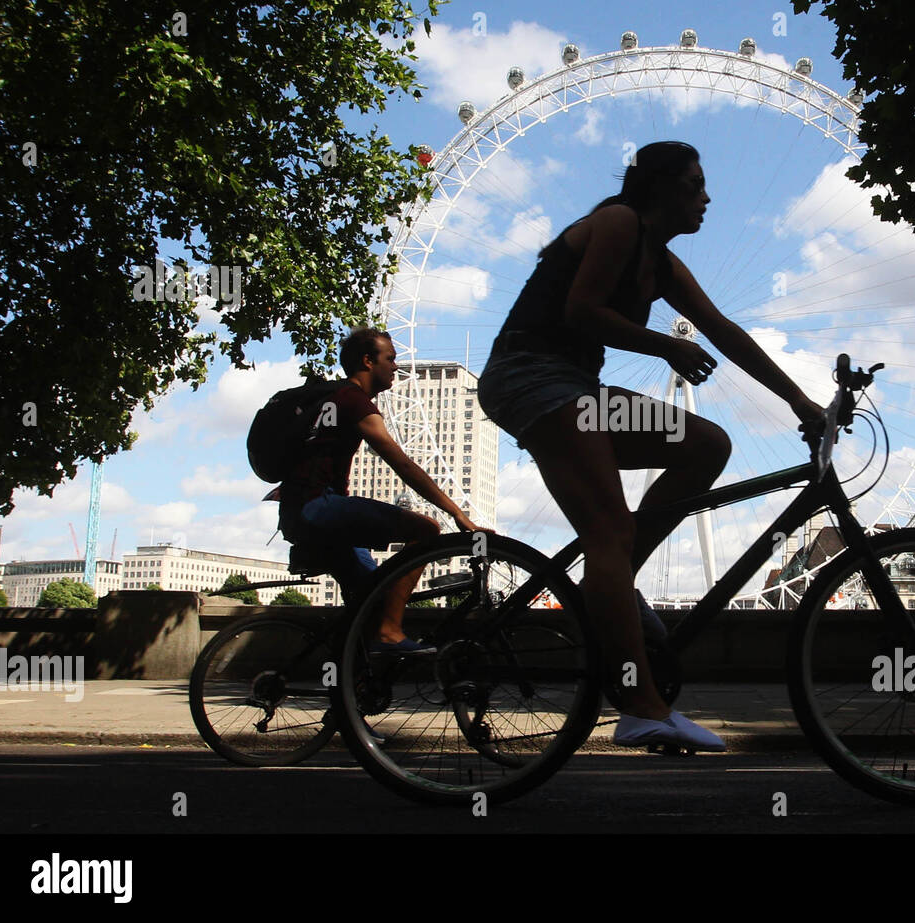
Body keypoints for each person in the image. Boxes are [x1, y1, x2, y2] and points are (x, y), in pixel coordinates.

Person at [476, 141, 823, 751]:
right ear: (661, 188)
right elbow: (580, 311)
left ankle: (616, 583)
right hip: (530, 378)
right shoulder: (616, 223)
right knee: (606, 531)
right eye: (696, 184)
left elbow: (723, 331)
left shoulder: (661, 263)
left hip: (576, 388)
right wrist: (666, 346)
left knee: (705, 445)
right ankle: (640, 707)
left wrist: (800, 401)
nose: (707, 197)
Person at [277, 327, 489, 652]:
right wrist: (456, 513)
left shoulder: (333, 399)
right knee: (426, 529)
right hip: (317, 508)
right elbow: (402, 465)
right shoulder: (352, 401)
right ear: (367, 361)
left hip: (300, 513)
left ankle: (349, 691)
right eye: (389, 359)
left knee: (369, 598)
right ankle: (390, 632)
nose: (395, 367)